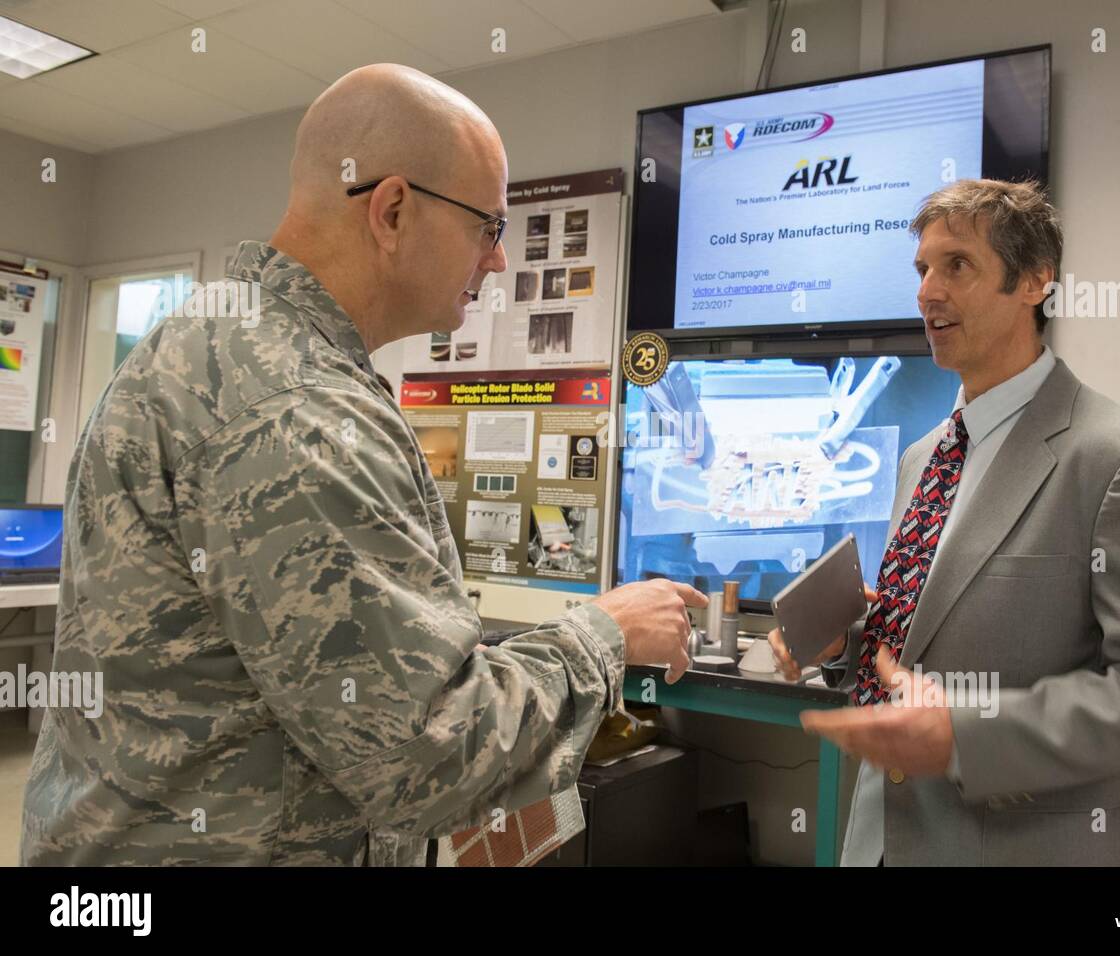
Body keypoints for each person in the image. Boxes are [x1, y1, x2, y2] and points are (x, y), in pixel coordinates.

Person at [22, 64, 705, 866]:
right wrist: (605, 635)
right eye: (488, 225)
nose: (497, 261)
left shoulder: (216, 343)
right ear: (391, 210)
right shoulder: (299, 409)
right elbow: (427, 758)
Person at [771, 179, 1120, 865]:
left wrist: (969, 735)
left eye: (957, 266)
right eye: (922, 269)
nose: (927, 292)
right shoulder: (922, 457)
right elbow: (919, 648)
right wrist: (842, 647)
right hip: (876, 841)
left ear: (1036, 280)